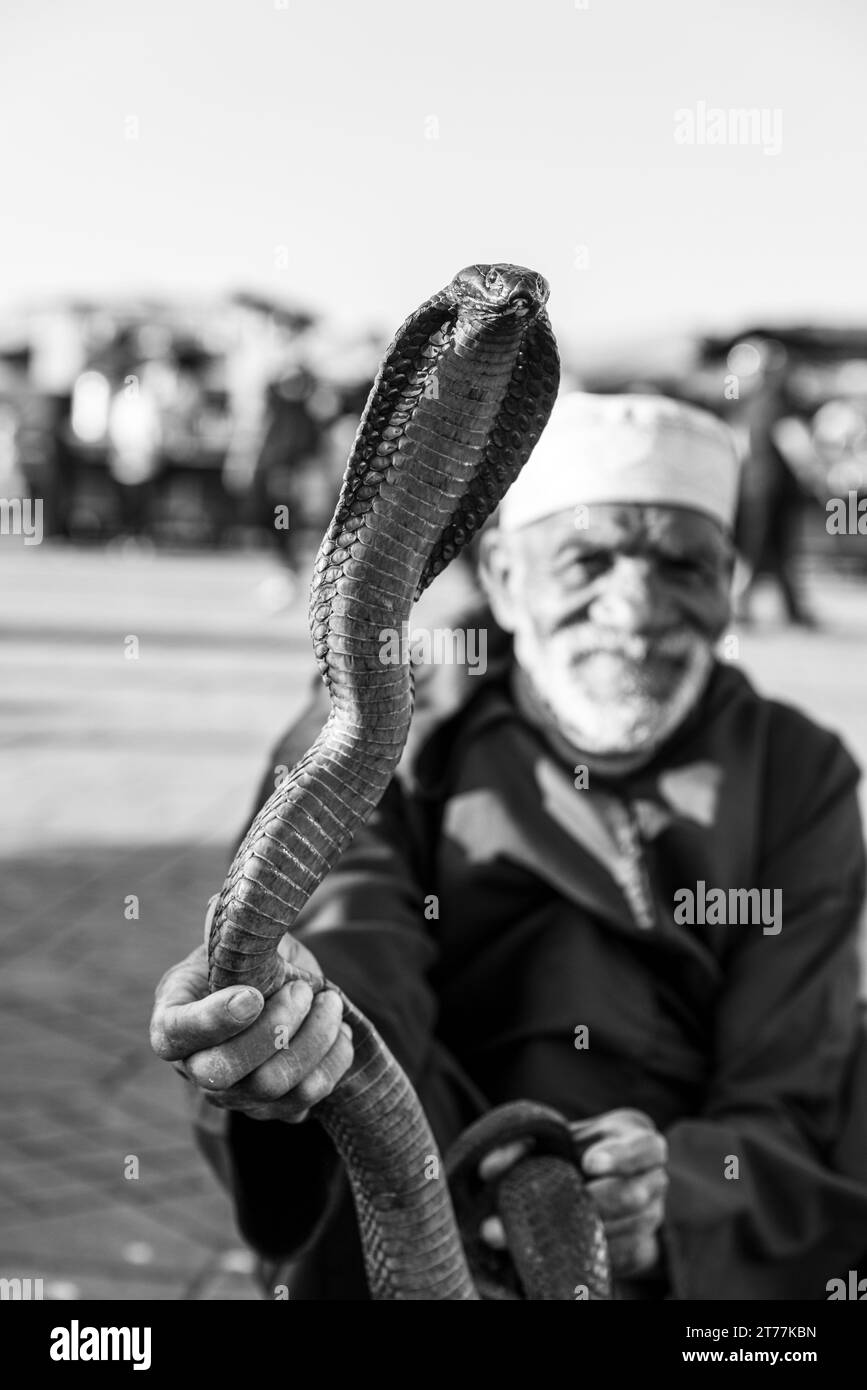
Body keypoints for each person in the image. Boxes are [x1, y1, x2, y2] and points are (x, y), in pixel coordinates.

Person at [150, 392, 867, 1300]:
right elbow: (353, 954)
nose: (636, 606)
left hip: (668, 1242)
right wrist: (281, 1027)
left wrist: (672, 1201)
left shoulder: (798, 770)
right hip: (434, 1176)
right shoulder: (386, 731)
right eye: (588, 559)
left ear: (729, 582)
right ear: (501, 572)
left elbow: (790, 1074)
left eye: (683, 566)